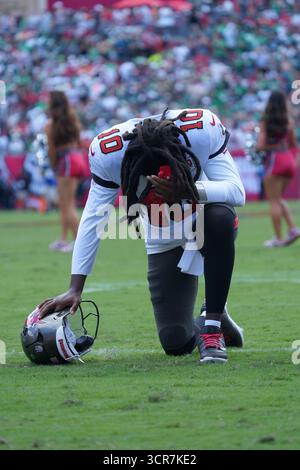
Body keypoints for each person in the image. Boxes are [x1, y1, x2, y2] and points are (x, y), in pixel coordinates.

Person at [39, 108, 245, 364]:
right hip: (162, 233)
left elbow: (237, 191)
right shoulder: (109, 154)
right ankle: (214, 314)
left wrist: (189, 188)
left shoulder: (201, 130)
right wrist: (75, 287)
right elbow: (93, 218)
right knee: (175, 341)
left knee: (220, 218)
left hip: (204, 216)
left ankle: (212, 327)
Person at [256, 91, 300, 248]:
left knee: (274, 201)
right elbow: (294, 145)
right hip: (289, 160)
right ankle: (293, 229)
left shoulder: (266, 121)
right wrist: (294, 161)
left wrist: (268, 147)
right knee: (279, 198)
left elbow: (260, 146)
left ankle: (278, 238)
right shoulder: (288, 121)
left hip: (275, 160)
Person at [45, 91, 85, 252]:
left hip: (65, 161)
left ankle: (78, 243)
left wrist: (54, 166)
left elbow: (52, 149)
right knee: (64, 203)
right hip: (77, 158)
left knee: (68, 205)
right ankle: (63, 239)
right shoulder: (73, 120)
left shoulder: (50, 125)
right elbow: (79, 141)